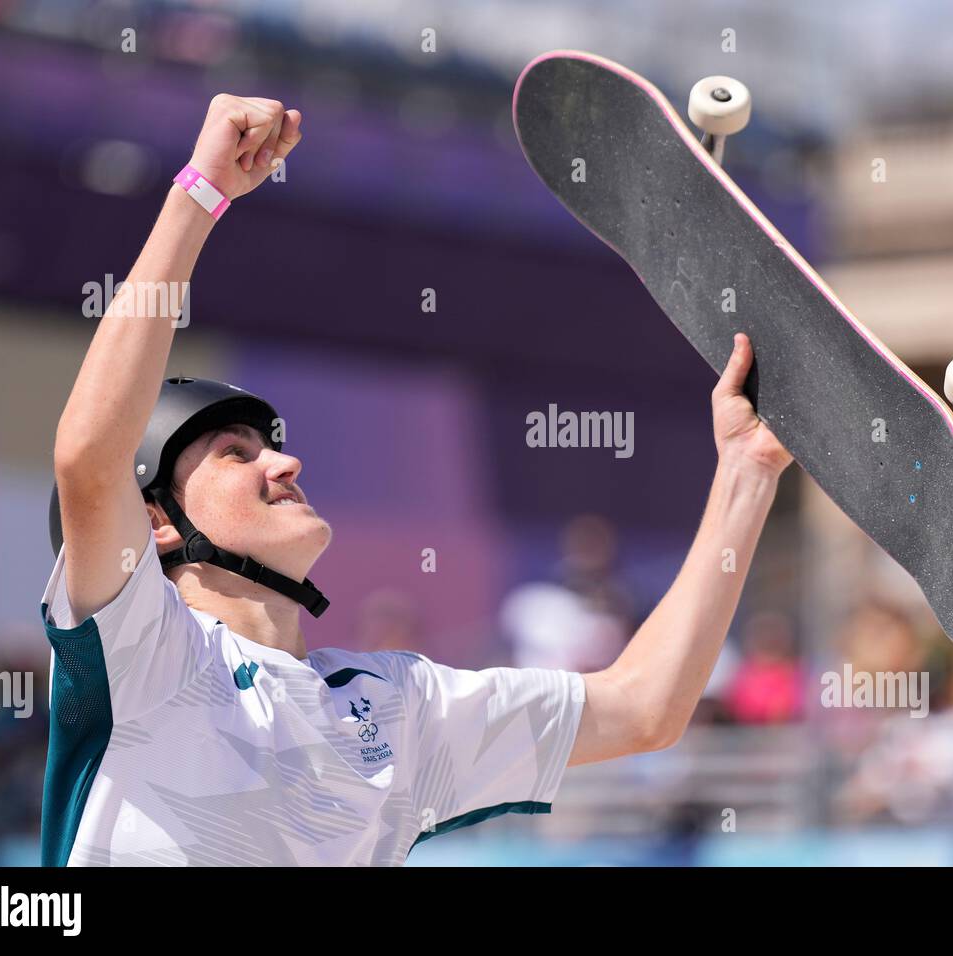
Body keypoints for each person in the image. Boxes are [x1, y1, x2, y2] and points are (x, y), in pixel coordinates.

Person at [41, 95, 794, 866]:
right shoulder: (145, 652)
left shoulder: (398, 707)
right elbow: (91, 458)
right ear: (157, 522)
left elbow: (644, 707)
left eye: (270, 446)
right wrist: (200, 192)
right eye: (237, 454)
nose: (285, 461)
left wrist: (746, 470)